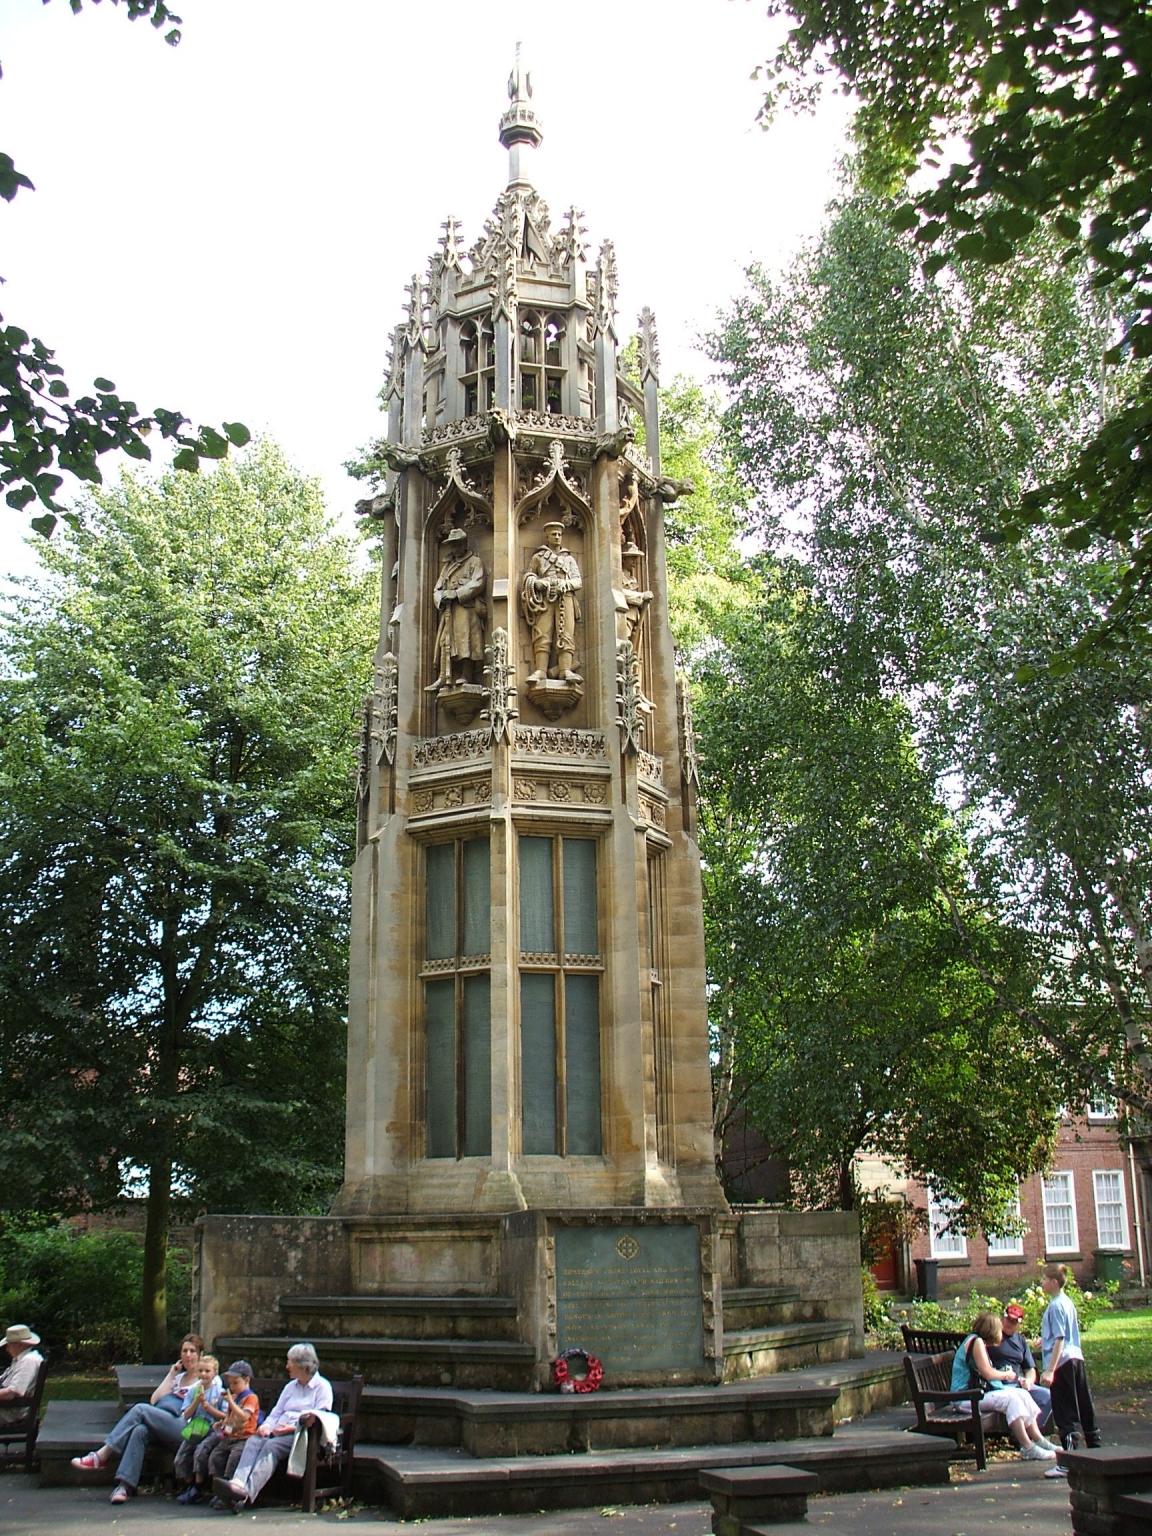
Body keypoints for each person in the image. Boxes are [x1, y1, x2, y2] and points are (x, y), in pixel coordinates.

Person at [71, 1332, 203, 1503]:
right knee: (140, 1430)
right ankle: (125, 1486)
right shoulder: (178, 1378)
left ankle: (102, 1454)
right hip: (165, 1421)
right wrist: (171, 1375)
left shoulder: (203, 1379)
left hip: (186, 1428)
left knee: (140, 1409)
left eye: (192, 1351)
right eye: (184, 1351)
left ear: (200, 1355)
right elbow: (155, 1400)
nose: (188, 1355)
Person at [219, 1343, 331, 1510]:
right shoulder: (290, 1387)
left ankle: (245, 1496)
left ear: (303, 1365)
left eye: (290, 1362)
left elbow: (321, 1419)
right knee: (254, 1441)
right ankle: (238, 1483)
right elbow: (276, 1413)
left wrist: (291, 1429)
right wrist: (266, 1426)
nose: (287, 1366)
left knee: (271, 1446)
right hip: (277, 1431)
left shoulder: (322, 1387)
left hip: (302, 1435)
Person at [950, 1311, 1058, 1462]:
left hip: (974, 1394)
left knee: (1022, 1394)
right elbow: (987, 1373)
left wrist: (1003, 1374)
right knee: (1011, 1399)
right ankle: (1027, 1447)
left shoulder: (977, 1341)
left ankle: (1039, 1440)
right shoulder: (976, 1343)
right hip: (965, 1397)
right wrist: (1006, 1375)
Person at [1039, 1262, 1101, 1478]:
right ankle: (1096, 1450)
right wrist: (1042, 1340)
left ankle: (1068, 1460)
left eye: (1045, 1279)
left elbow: (1060, 1339)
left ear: (1054, 1282)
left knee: (1064, 1409)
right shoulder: (1067, 1303)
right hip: (1076, 1358)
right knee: (1084, 1404)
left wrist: (1050, 1370)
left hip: (1062, 1362)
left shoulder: (1055, 1306)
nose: (1042, 1283)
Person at [179, 1359, 260, 1506]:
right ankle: (217, 1491)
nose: (232, 1386)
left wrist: (230, 1402)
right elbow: (229, 1418)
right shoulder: (234, 1397)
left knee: (233, 1459)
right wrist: (222, 1424)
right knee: (215, 1457)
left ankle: (229, 1492)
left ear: (246, 1380)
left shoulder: (250, 1398)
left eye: (236, 1383)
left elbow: (243, 1417)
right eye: (230, 1383)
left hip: (244, 1438)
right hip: (228, 1436)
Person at [522, 521, 582, 684]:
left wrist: (565, 585)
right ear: (547, 537)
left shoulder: (569, 559)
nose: (557, 537)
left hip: (566, 597)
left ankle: (565, 670)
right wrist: (537, 583)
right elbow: (528, 575)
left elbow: (578, 581)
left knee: (566, 634)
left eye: (559, 534)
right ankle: (541, 670)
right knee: (542, 634)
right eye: (554, 534)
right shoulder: (538, 557)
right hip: (545, 598)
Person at [426, 528, 486, 691]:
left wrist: (456, 594)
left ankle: (467, 674)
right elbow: (437, 588)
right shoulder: (447, 567)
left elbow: (478, 583)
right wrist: (441, 598)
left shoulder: (474, 562)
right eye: (452, 545)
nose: (455, 548)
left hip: (466, 609)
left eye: (458, 544)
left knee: (466, 641)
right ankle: (444, 677)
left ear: (464, 544)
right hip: (449, 610)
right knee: (446, 641)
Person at [987, 1303, 1052, 1422]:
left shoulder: (1020, 1341)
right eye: (1008, 1319)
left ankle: (1032, 1432)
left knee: (1047, 1396)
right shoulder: (992, 1336)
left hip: (1018, 1384)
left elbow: (1030, 1369)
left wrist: (1028, 1381)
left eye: (1014, 1322)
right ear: (1003, 1317)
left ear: (1019, 1324)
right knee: (1021, 1397)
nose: (1009, 1323)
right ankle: (1022, 1435)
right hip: (998, 1385)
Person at [172, 1354, 225, 1490]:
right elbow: (186, 1415)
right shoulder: (193, 1392)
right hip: (197, 1427)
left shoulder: (220, 1392)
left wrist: (209, 1408)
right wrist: (196, 1401)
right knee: (181, 1455)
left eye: (207, 1371)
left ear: (215, 1373)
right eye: (201, 1371)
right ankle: (187, 1482)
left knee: (200, 1452)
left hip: (213, 1429)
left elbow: (225, 1416)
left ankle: (198, 1485)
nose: (203, 1374)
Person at [0, 1325, 44, 1426]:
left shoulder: (28, 1361)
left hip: (12, 1411)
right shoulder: (21, 1359)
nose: (7, 1349)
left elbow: (11, 1393)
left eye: (9, 1345)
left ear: (20, 1345)